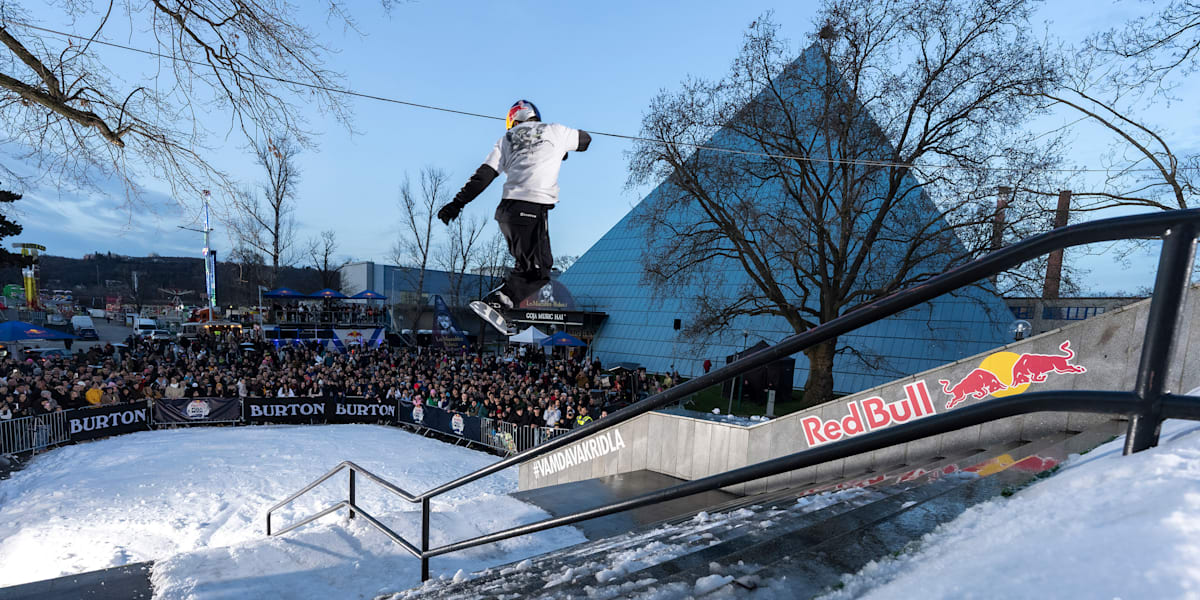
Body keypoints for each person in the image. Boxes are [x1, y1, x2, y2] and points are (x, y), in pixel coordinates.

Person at [437, 99, 592, 332]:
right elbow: (585, 140)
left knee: (532, 268)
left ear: (512, 120)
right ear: (535, 116)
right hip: (531, 208)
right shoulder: (555, 131)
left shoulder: (506, 140)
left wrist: (457, 203)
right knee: (539, 271)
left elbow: (484, 175)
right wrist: (559, 150)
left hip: (509, 212)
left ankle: (506, 305)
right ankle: (499, 301)